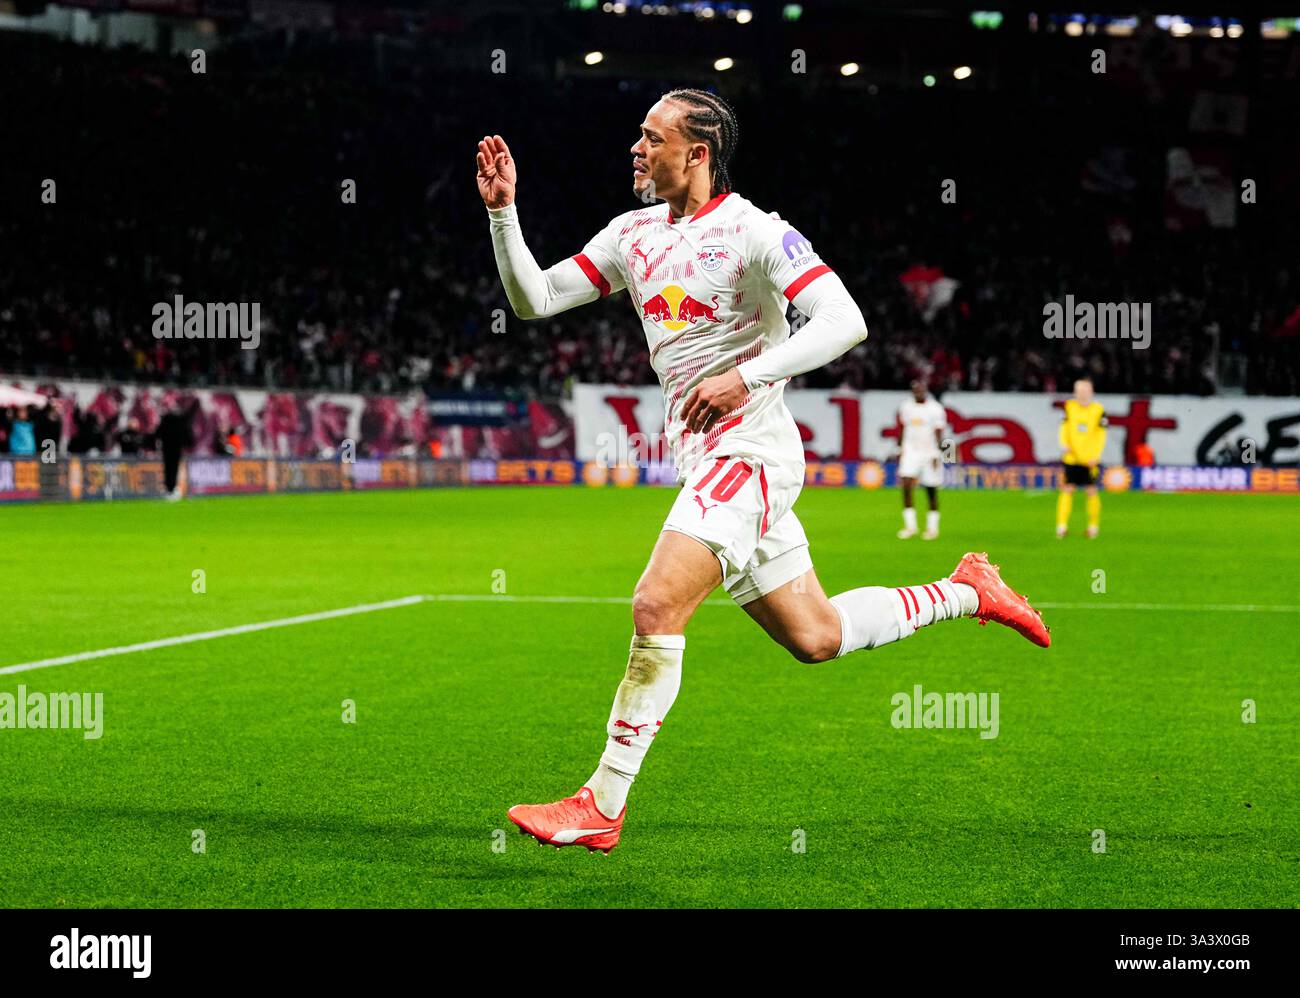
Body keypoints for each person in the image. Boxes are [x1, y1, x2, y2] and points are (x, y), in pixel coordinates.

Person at [477, 90, 1050, 854]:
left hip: (752, 455)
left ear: (697, 153)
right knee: (816, 635)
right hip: (705, 459)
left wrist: (750, 377)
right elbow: (535, 299)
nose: (635, 150)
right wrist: (503, 214)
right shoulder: (633, 233)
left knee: (655, 605)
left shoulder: (757, 233)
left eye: (652, 138)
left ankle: (601, 803)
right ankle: (965, 589)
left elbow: (846, 320)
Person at [895, 379, 947, 540]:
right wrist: (899, 448)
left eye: (920, 389)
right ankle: (910, 527)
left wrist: (941, 455)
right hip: (911, 451)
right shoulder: (906, 407)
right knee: (906, 484)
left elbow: (940, 433)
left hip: (929, 453)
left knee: (931, 490)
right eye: (915, 390)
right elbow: (903, 428)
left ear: (926, 390)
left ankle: (932, 528)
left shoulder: (935, 409)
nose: (917, 392)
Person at [1056, 378, 1107, 539]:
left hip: (1089, 459)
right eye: (1079, 391)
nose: (1082, 394)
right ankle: (1061, 526)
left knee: (1091, 491)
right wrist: (1064, 444)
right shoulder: (1069, 407)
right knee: (1068, 489)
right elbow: (1064, 428)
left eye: (1085, 391)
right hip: (1071, 458)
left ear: (1091, 393)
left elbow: (1101, 434)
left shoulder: (1099, 410)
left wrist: (1096, 455)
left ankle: (1093, 527)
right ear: (1075, 392)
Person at [156, 398, 195, 500]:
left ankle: (170, 489)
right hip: (177, 449)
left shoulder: (165, 420)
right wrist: (188, 442)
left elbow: (158, 433)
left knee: (169, 470)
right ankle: (174, 489)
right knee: (175, 469)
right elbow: (187, 432)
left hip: (167, 449)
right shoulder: (181, 420)